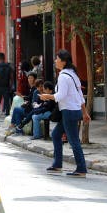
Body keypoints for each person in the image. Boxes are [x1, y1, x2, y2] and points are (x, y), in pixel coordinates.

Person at [40, 49, 89, 177]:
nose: (55, 61)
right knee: (56, 134)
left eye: (57, 59)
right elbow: (80, 95)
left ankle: (81, 168)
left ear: (63, 61)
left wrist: (46, 96)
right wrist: (84, 112)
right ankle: (57, 164)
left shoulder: (63, 76)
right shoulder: (73, 74)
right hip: (74, 110)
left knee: (73, 141)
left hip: (69, 111)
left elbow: (60, 96)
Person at [0, 53, 14, 121]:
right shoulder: (9, 67)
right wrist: (10, 86)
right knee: (7, 102)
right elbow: (11, 78)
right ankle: (7, 115)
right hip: (6, 86)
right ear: (4, 58)